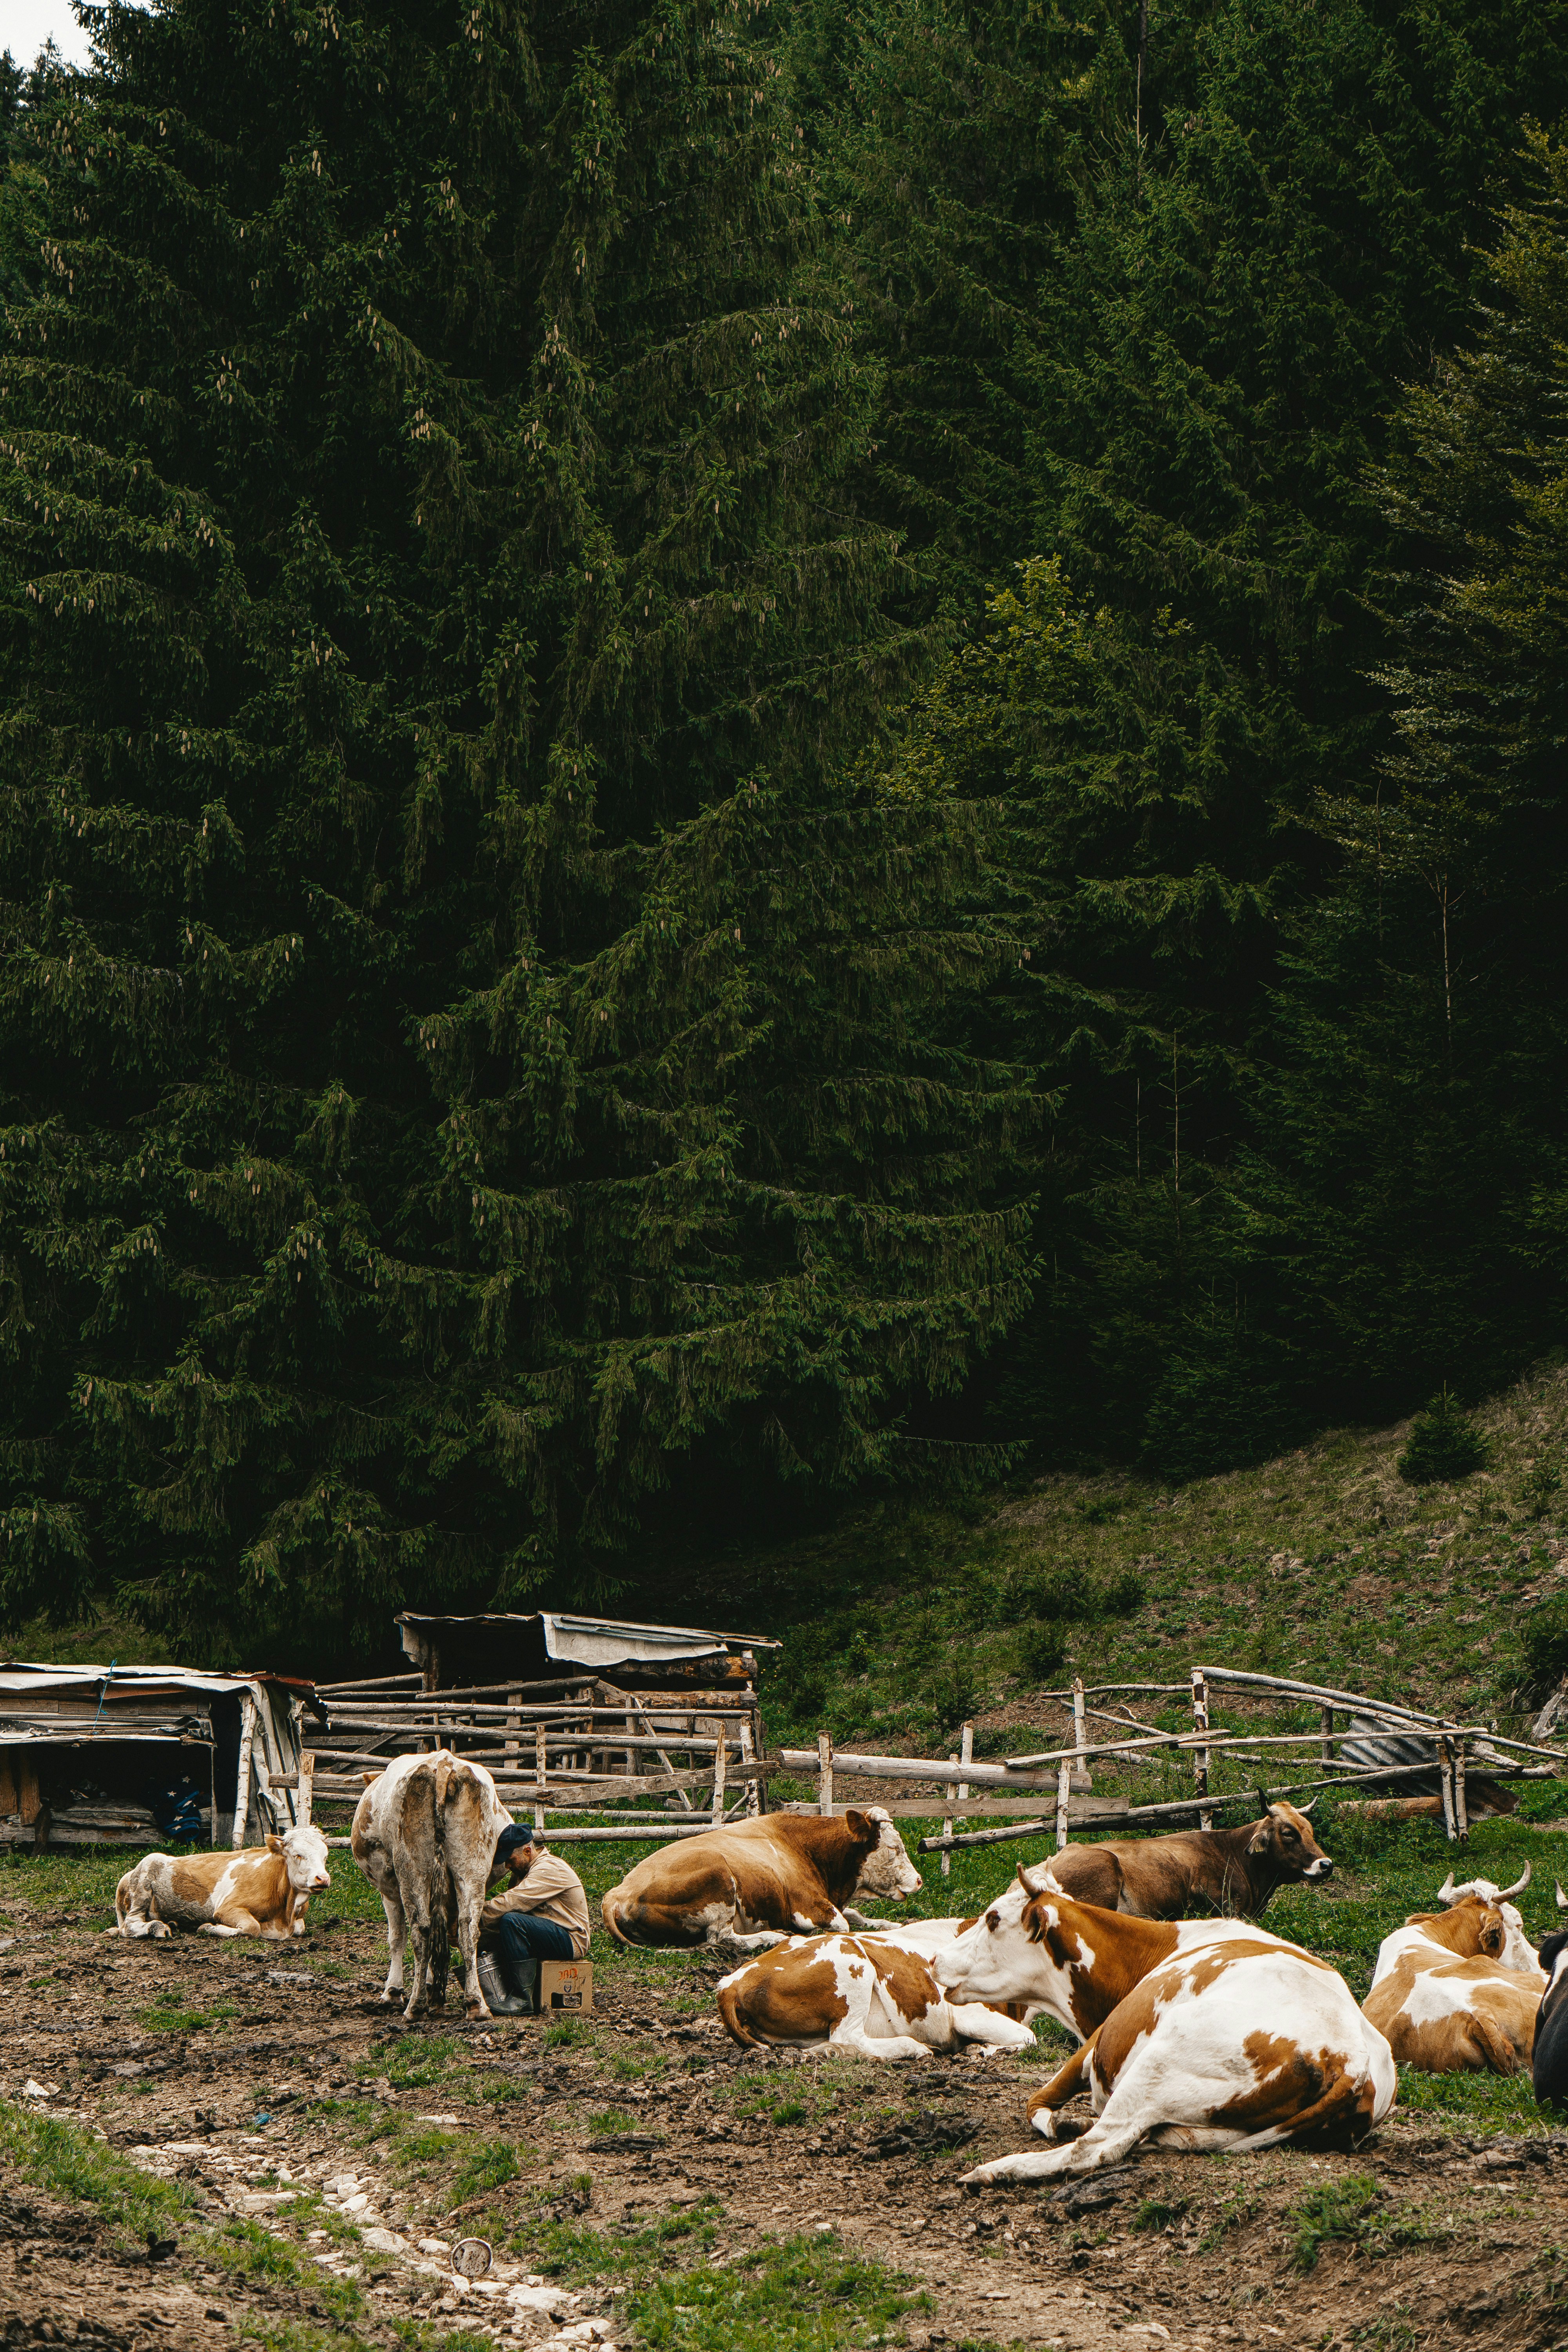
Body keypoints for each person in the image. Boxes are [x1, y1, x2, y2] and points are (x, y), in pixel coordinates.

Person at [475, 1825, 590, 2016]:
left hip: (572, 1940)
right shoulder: (525, 1873)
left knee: (512, 1922)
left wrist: (472, 1918)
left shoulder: (548, 1869)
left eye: (510, 1860)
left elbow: (511, 1903)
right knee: (501, 1926)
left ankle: (522, 2000)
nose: (507, 1867)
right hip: (552, 1932)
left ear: (528, 1851)